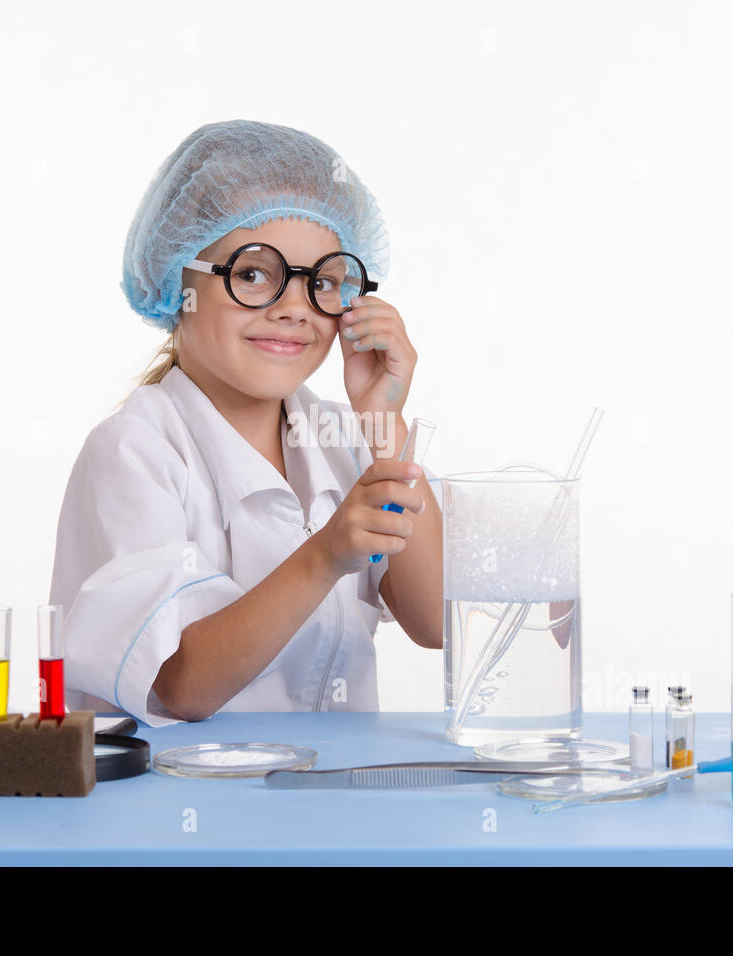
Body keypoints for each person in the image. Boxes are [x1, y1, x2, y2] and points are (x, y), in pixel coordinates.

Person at [48, 119, 442, 726]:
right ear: (175, 279)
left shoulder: (347, 440)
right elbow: (180, 683)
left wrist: (382, 418)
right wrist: (325, 554)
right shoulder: (135, 452)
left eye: (324, 283)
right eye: (253, 274)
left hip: (331, 807)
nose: (292, 308)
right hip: (178, 808)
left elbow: (437, 621)